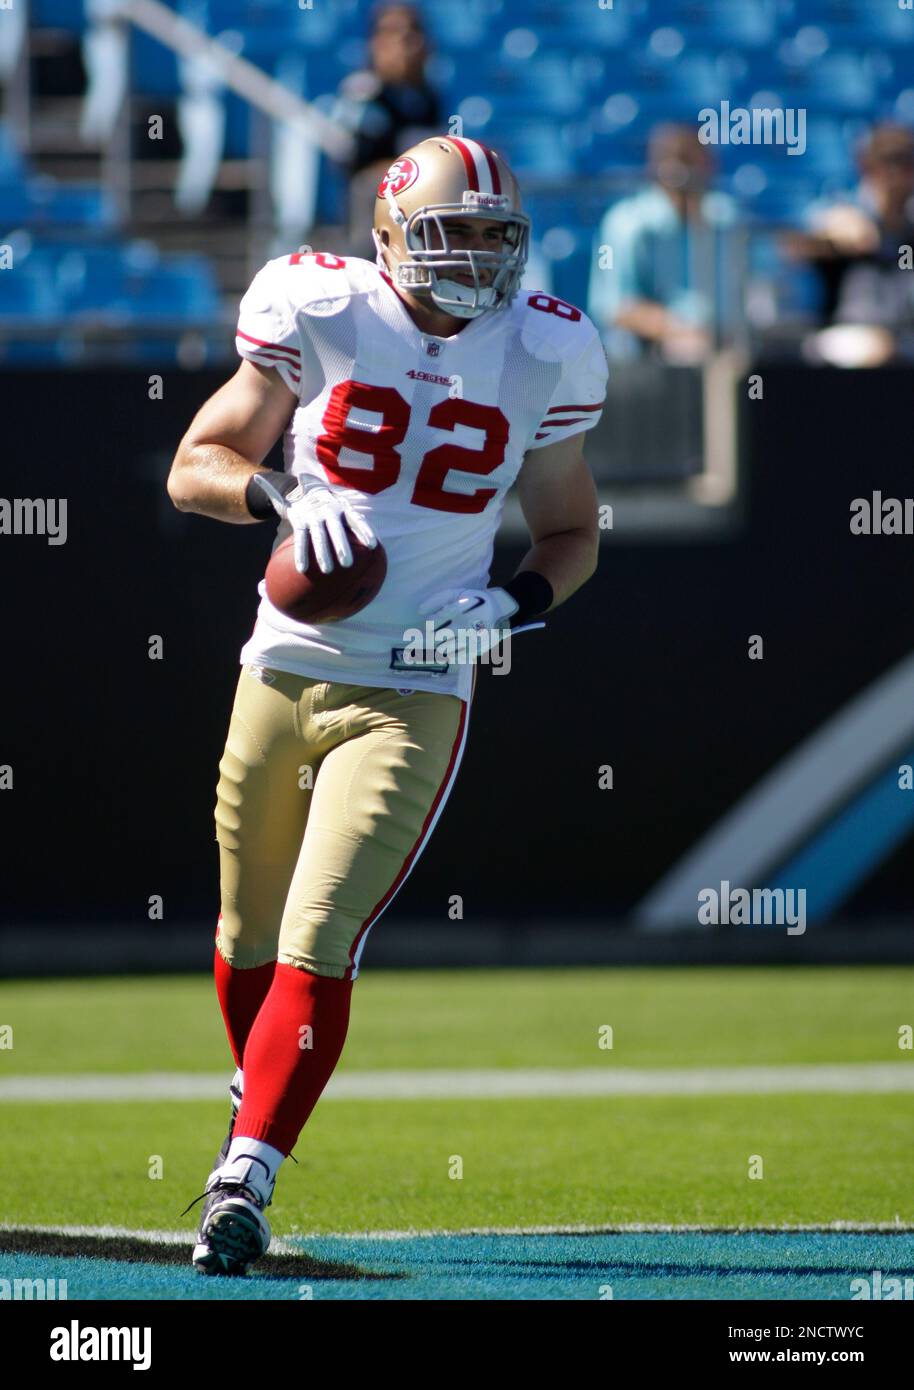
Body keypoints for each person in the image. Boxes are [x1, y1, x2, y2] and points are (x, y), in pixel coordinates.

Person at [166, 134, 608, 1276]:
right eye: (447, 232)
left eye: (490, 236)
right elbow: (195, 461)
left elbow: (570, 531)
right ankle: (253, 1109)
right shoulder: (315, 306)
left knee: (322, 933)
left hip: (414, 680)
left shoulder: (545, 349)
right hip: (284, 659)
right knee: (244, 935)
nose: (470, 257)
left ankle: (246, 1171)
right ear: (386, 237)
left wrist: (513, 606)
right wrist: (276, 492)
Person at [587, 123, 740, 362]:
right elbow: (615, 307)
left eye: (694, 162)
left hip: (727, 343)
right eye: (679, 161)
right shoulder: (625, 222)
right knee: (690, 352)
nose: (686, 173)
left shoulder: (725, 217)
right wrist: (680, 331)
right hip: (648, 355)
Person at [784, 123, 914, 366]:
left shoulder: (910, 225)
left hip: (904, 340)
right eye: (890, 162)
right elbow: (795, 246)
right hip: (850, 337)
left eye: (907, 164)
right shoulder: (844, 214)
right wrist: (836, 230)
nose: (898, 175)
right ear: (867, 167)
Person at [329, 3, 442, 257]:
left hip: (423, 209)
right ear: (376, 43)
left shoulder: (429, 97)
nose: (407, 42)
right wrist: (412, 171)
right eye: (393, 32)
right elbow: (349, 160)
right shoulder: (362, 94)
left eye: (414, 32)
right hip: (376, 211)